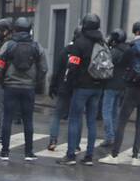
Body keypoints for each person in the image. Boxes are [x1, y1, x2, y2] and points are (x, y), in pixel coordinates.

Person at [0, 16, 46, 162]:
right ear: (30, 30)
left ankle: (4, 151)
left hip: (10, 86)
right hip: (28, 87)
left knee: (7, 119)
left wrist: (2, 81)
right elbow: (44, 68)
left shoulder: (8, 46)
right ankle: (29, 152)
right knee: (28, 120)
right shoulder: (36, 46)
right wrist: (36, 81)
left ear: (15, 29)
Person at [108, 19, 140, 163]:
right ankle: (136, 156)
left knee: (122, 121)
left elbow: (123, 63)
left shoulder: (133, 48)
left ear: (137, 32)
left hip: (132, 88)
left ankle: (115, 154)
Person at [61, 13, 108, 165]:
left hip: (81, 87)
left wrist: (68, 83)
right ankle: (89, 156)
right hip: (98, 86)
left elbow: (72, 66)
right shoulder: (103, 43)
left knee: (75, 119)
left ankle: (71, 155)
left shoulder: (79, 43)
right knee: (92, 122)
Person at [47, 28, 77, 150]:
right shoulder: (84, 50)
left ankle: (53, 140)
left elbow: (58, 70)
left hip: (63, 87)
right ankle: (75, 144)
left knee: (57, 115)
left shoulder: (65, 51)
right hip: (77, 88)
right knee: (75, 117)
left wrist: (52, 86)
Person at [99, 29, 127, 155]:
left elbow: (105, 65)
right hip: (122, 85)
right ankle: (115, 136)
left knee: (106, 111)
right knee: (115, 112)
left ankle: (109, 137)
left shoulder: (114, 52)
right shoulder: (127, 51)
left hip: (111, 84)